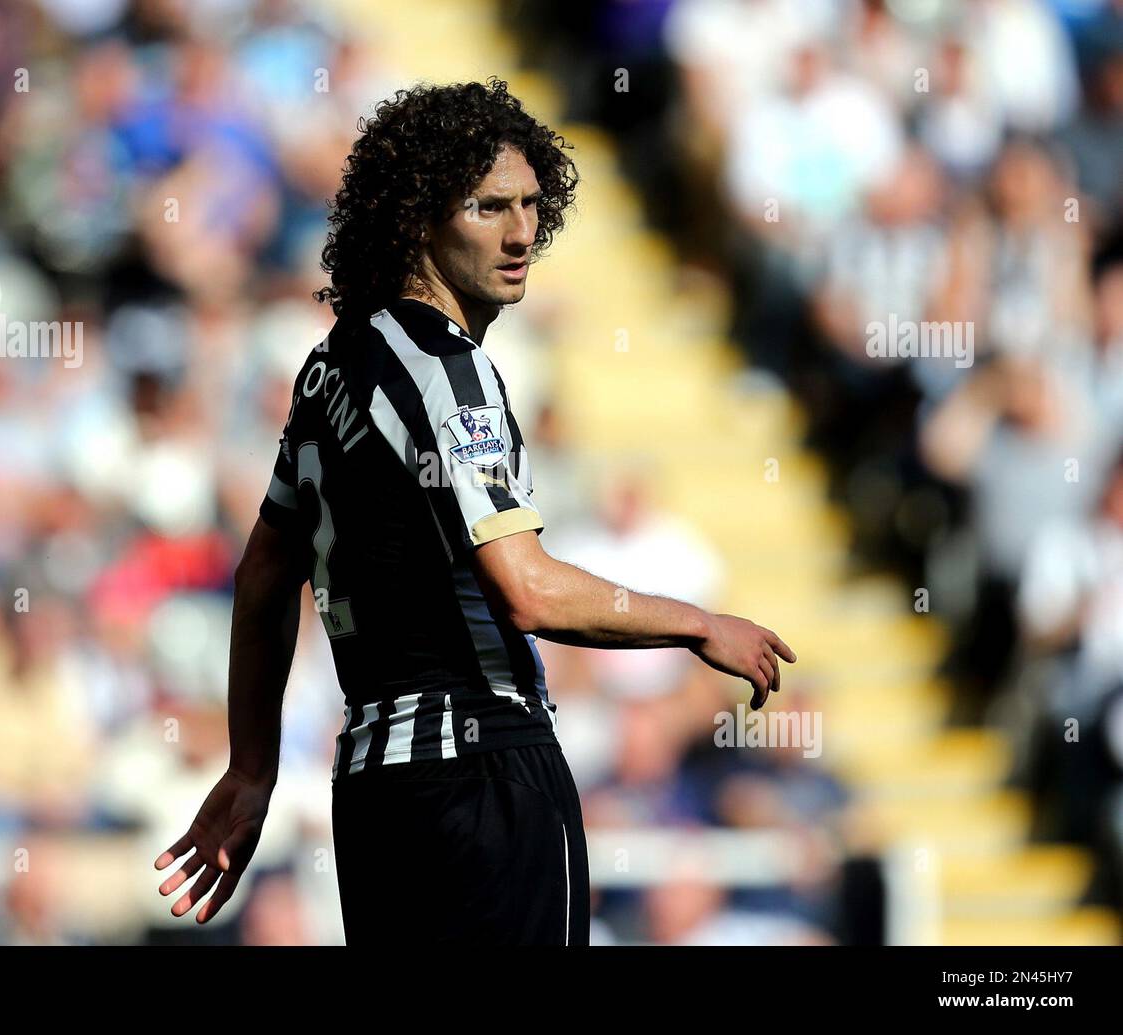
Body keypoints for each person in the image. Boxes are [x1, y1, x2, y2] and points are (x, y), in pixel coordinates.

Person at [154, 78, 797, 945]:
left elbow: (265, 573)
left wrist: (251, 766)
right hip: (486, 773)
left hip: (376, 791)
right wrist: (698, 624)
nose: (523, 231)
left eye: (533, 205)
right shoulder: (451, 372)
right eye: (491, 206)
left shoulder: (327, 369)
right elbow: (525, 589)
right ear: (420, 216)